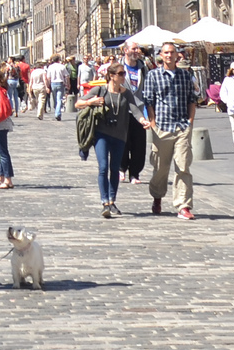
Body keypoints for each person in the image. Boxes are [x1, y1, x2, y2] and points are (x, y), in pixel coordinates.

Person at [136, 42, 200, 219]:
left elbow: (192, 99)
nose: (169, 56)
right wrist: (153, 122)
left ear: (177, 55)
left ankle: (183, 206)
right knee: (160, 168)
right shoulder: (153, 76)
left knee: (183, 166)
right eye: (166, 53)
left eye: (172, 52)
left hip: (181, 127)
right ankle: (157, 196)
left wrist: (190, 121)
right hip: (162, 127)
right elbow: (148, 100)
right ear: (161, 55)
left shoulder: (185, 76)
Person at [76, 60, 135, 216]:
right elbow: (78, 104)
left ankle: (112, 201)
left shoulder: (126, 93)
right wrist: (91, 101)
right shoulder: (100, 90)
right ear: (111, 76)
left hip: (120, 135)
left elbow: (135, 109)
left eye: (124, 74)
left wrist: (143, 120)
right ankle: (104, 202)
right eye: (121, 74)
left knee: (115, 169)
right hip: (102, 134)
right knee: (103, 167)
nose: (124, 76)